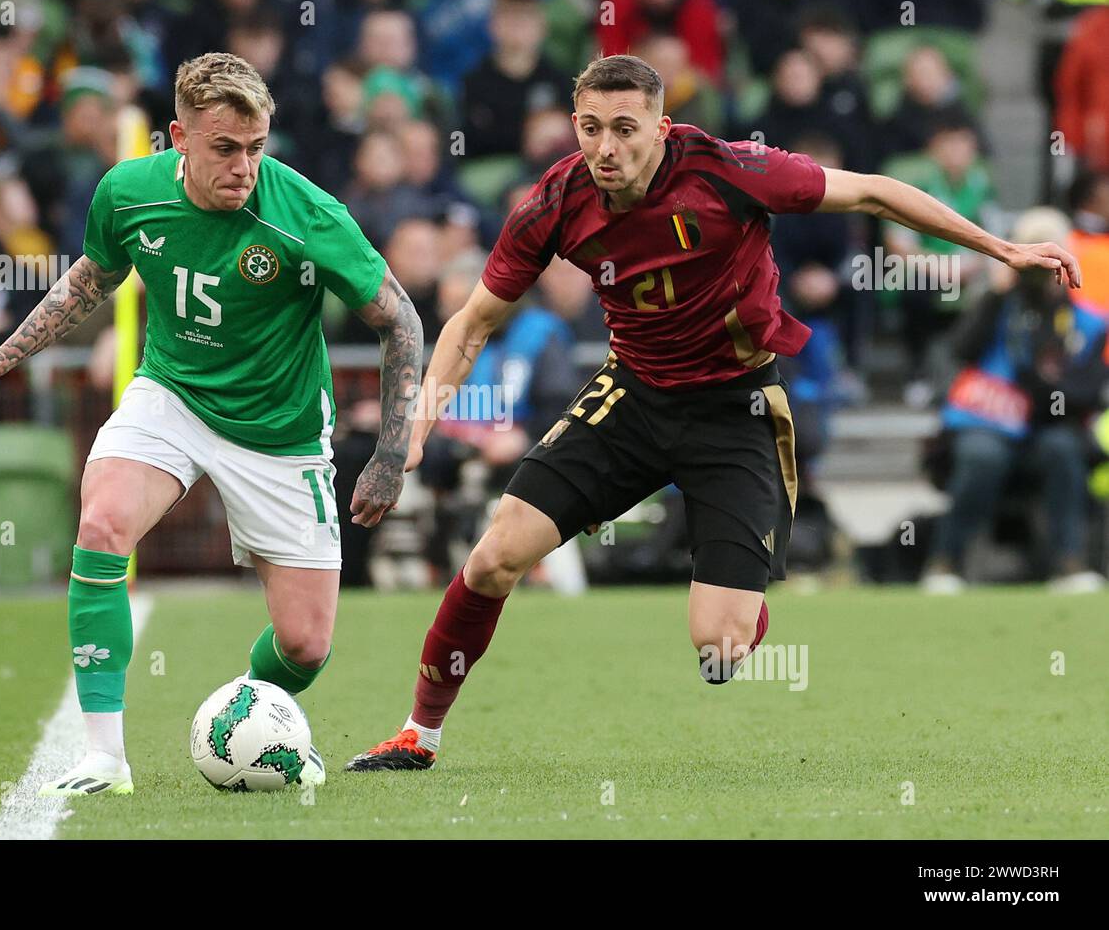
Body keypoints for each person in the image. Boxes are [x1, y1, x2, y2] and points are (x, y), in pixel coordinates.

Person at [345, 54, 1082, 771]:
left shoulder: (730, 169)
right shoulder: (554, 200)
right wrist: (417, 423)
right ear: (574, 125)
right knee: (496, 552)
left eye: (626, 128)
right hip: (632, 394)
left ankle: (743, 583)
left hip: (737, 406)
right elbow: (472, 322)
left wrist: (1001, 248)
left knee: (721, 647)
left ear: (662, 129)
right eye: (592, 127)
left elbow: (874, 193)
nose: (607, 147)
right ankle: (418, 733)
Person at [0, 53, 422, 795]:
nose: (244, 166)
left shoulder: (309, 213)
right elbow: (88, 282)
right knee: (101, 525)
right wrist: (2, 357)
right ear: (178, 138)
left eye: (257, 147)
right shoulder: (127, 192)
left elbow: (402, 321)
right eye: (225, 148)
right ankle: (105, 754)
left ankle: (240, 713)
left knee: (305, 644)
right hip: (172, 396)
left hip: (279, 426)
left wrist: (390, 454)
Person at [922, 208, 1108, 594]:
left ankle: (1069, 565)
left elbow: (1084, 392)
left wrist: (1039, 384)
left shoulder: (1088, 322)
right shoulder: (999, 305)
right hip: (987, 424)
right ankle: (945, 563)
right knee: (981, 457)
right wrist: (998, 290)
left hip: (1045, 431)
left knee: (1063, 451)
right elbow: (961, 349)